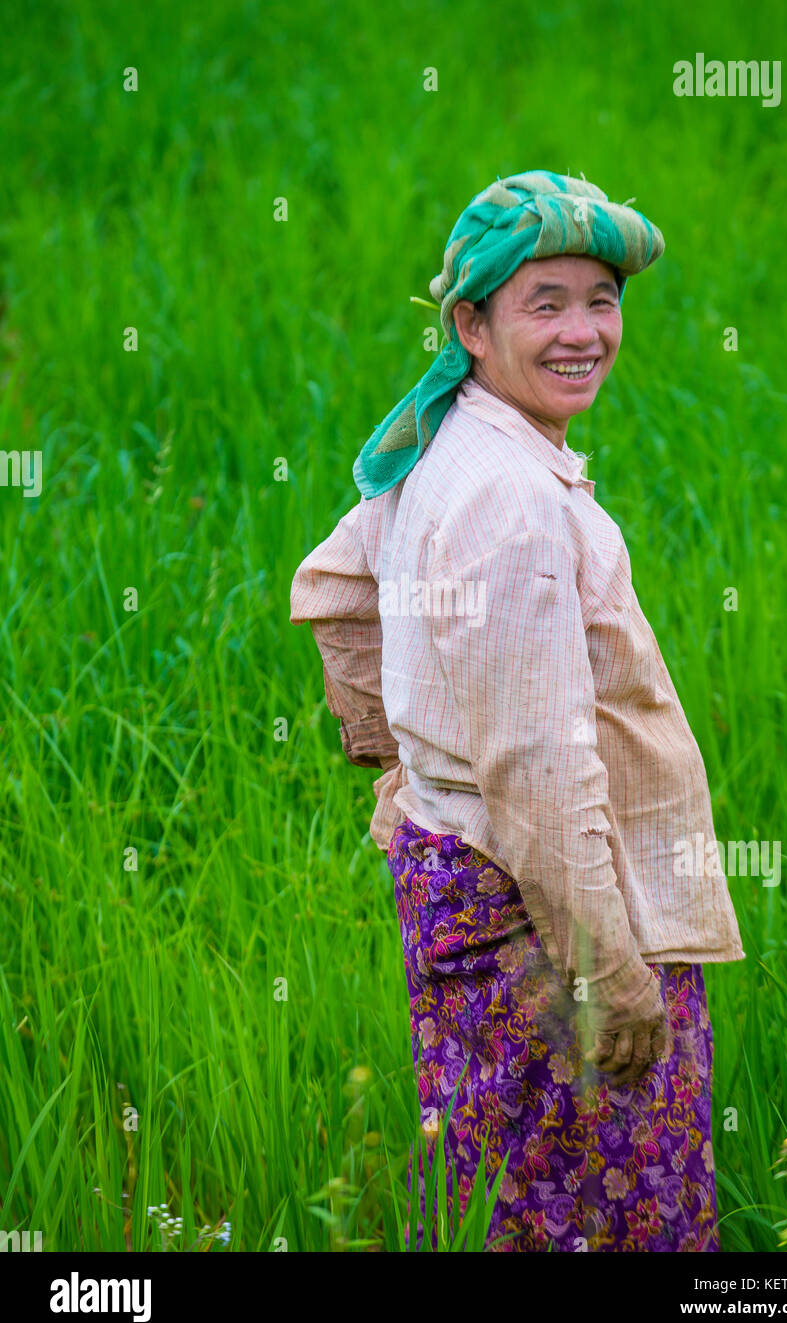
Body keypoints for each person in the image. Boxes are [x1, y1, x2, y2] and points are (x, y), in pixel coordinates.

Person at [290, 169, 746, 1252]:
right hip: (542, 912)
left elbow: (335, 590)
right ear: (472, 323)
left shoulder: (436, 440)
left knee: (502, 1190)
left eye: (603, 298)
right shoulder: (512, 504)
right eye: (547, 303)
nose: (584, 331)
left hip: (465, 871)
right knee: (603, 1208)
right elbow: (540, 772)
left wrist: (411, 763)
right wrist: (610, 970)